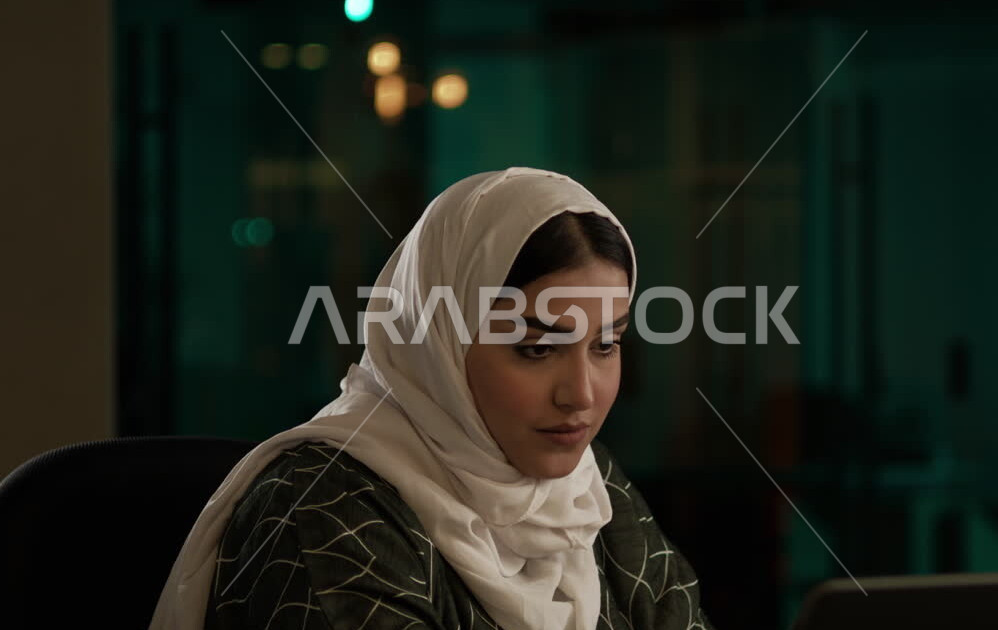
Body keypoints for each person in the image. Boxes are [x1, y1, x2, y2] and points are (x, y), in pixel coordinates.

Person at [150, 167, 715, 630]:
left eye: (607, 344)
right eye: (537, 350)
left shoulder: (586, 487)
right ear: (440, 341)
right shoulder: (323, 508)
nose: (581, 396)